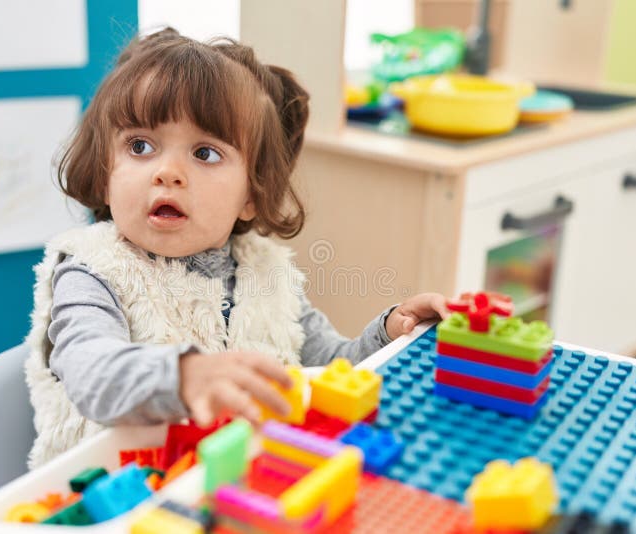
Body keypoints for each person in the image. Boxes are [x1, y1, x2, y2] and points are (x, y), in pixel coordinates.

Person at [24, 28, 448, 468]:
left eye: (205, 153)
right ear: (104, 172)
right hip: (114, 488)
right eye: (140, 146)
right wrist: (183, 377)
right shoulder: (91, 272)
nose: (167, 172)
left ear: (251, 194)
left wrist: (391, 333)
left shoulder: (265, 272)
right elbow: (91, 373)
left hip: (236, 476)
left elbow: (329, 367)